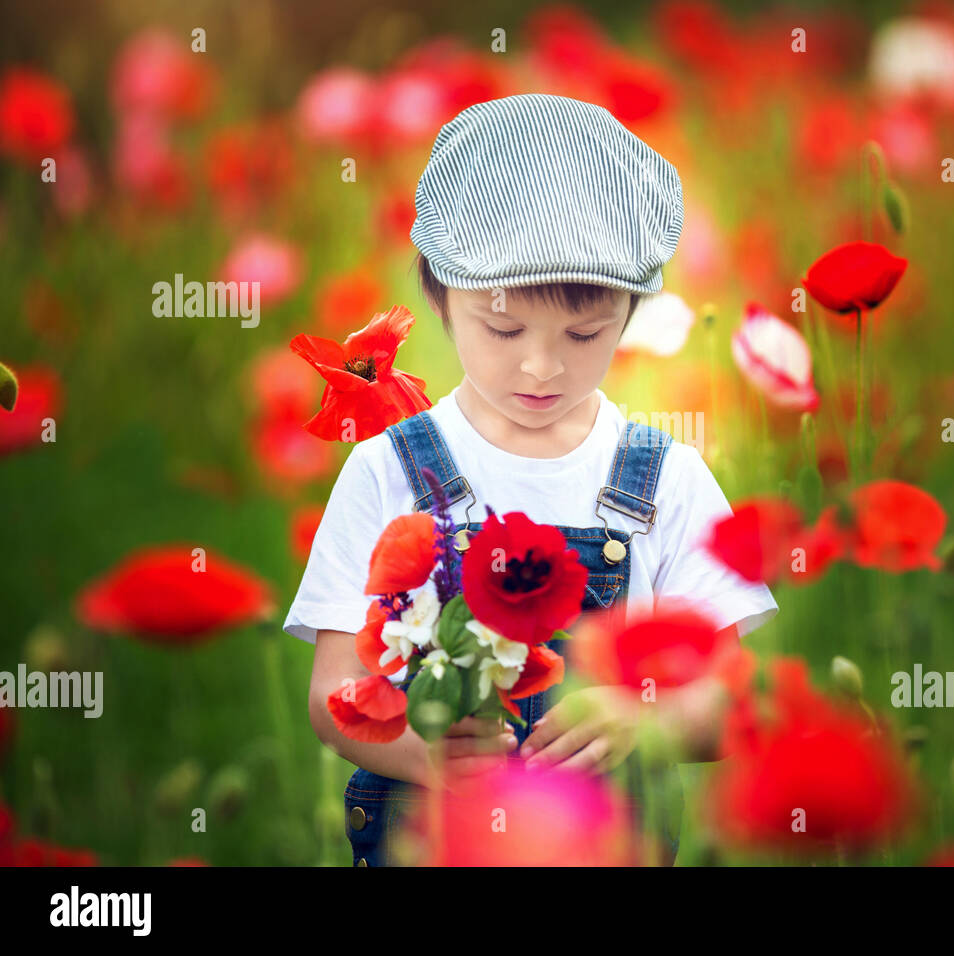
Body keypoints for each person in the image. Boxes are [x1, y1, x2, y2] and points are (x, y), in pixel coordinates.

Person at [283, 93, 779, 866]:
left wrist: (641, 717)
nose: (541, 367)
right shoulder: (387, 471)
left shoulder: (666, 481)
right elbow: (332, 694)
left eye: (584, 334)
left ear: (630, 310)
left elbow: (735, 702)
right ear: (441, 296)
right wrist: (423, 753)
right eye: (504, 328)